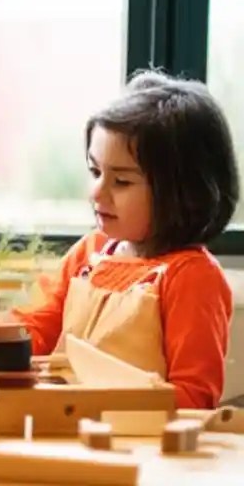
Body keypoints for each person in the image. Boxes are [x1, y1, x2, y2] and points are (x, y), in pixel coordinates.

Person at [13, 71, 238, 409]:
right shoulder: (89, 252)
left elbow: (194, 398)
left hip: (144, 450)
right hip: (68, 430)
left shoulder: (192, 278)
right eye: (95, 172)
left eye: (121, 181)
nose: (96, 193)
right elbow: (35, 330)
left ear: (182, 191)